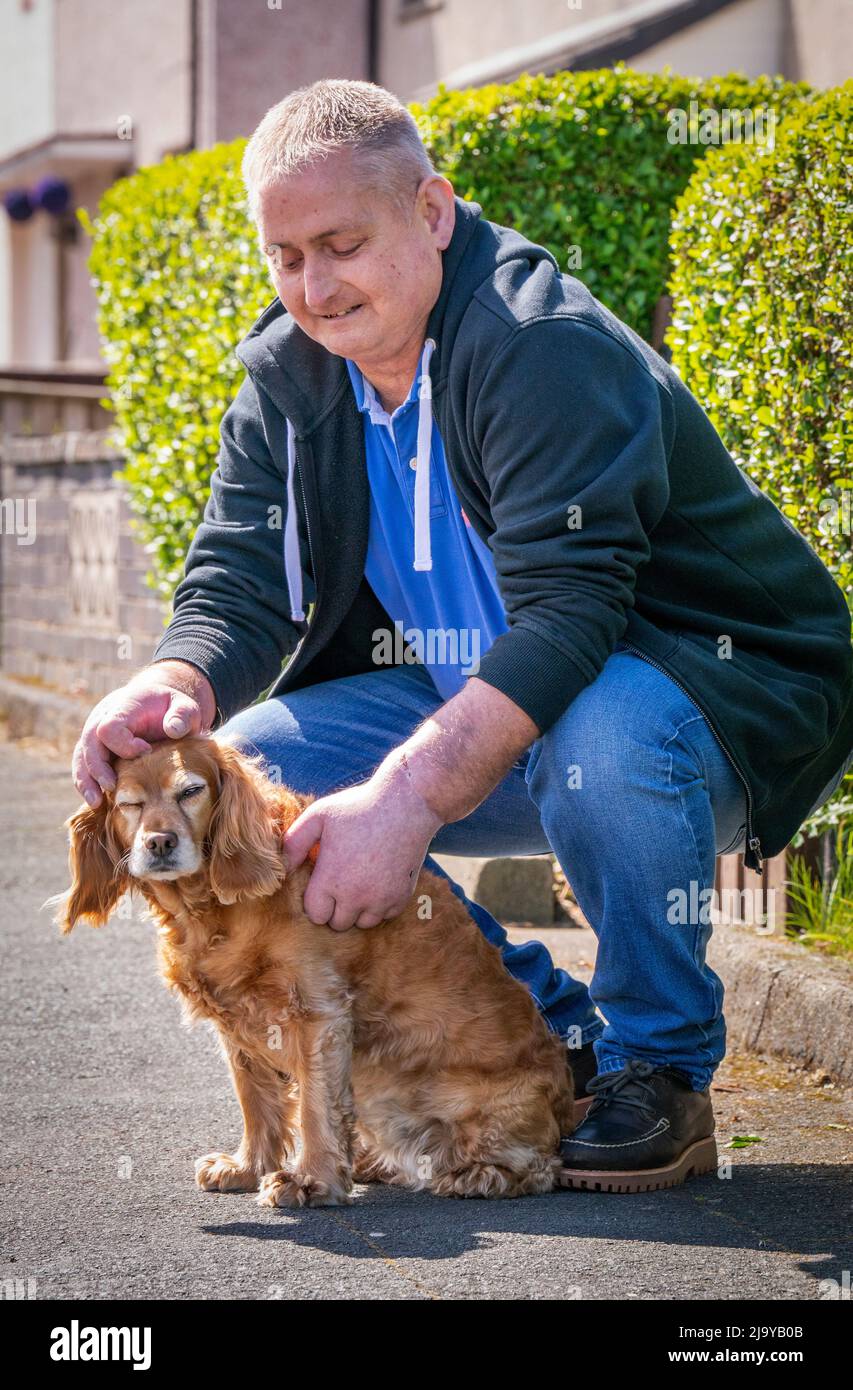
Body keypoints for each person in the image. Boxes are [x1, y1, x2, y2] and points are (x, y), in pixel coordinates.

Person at [72, 78, 853, 1193]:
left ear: (432, 213)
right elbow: (238, 579)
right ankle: (547, 1021)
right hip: (478, 694)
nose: (312, 286)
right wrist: (170, 679)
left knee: (598, 735)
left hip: (696, 695)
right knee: (256, 763)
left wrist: (409, 798)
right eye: (285, 256)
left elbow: (573, 613)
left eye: (340, 243)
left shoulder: (542, 345)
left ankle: (658, 1072)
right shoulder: (288, 379)